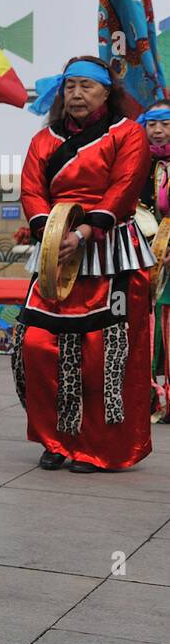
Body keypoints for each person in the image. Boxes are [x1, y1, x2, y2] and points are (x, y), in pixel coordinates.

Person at [12, 57, 152, 471]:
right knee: (36, 347)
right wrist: (50, 234)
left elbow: (124, 187)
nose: (76, 94)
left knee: (103, 356)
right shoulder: (44, 140)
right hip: (56, 251)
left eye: (86, 87)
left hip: (109, 252)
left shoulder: (126, 134)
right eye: (69, 86)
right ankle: (54, 439)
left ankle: (100, 447)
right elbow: (31, 190)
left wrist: (85, 232)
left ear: (107, 93)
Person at [141, 101, 170, 418]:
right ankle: (148, 395)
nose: (158, 130)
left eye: (165, 124)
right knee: (147, 327)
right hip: (146, 256)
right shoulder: (138, 163)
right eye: (152, 124)